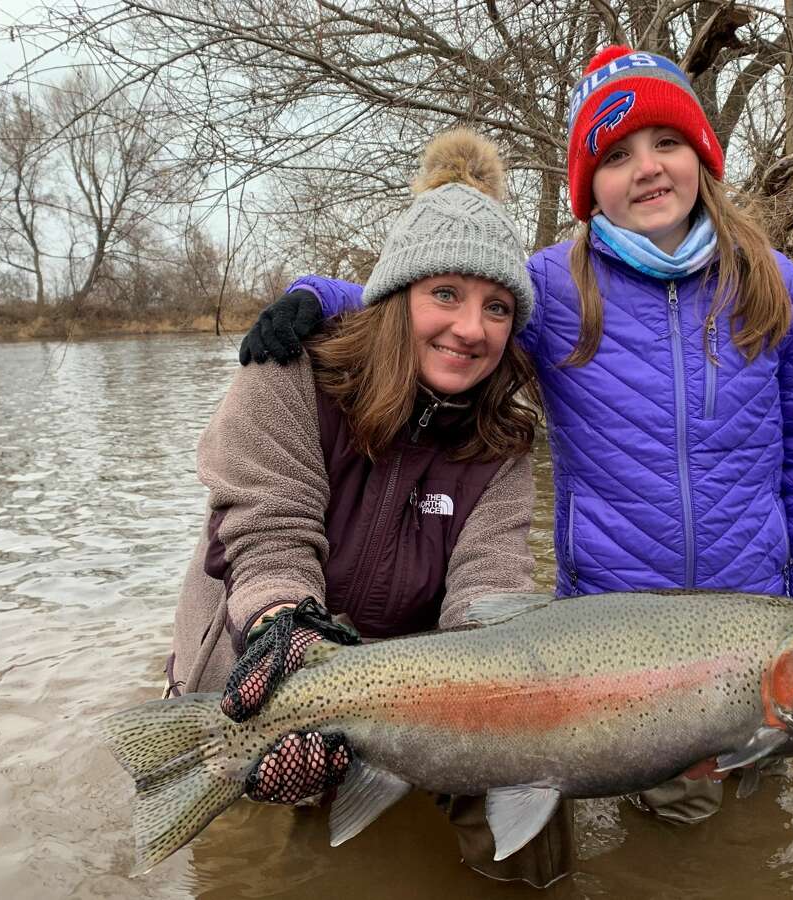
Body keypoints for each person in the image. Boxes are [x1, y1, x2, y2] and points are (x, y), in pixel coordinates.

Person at [239, 46, 793, 824]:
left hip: (754, 621)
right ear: (588, 187)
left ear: (703, 156)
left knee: (755, 816)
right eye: (616, 156)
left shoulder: (773, 280)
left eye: (667, 142)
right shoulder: (556, 285)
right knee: (671, 812)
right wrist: (315, 297)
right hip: (610, 644)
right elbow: (440, 300)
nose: (647, 168)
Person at [169, 129, 571, 887]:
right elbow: (268, 539)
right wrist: (286, 635)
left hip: (404, 687)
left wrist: (505, 702)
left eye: (496, 307)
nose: (471, 328)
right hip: (256, 653)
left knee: (536, 779)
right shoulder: (289, 371)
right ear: (396, 299)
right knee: (250, 864)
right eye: (445, 294)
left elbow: (488, 592)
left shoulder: (503, 444)